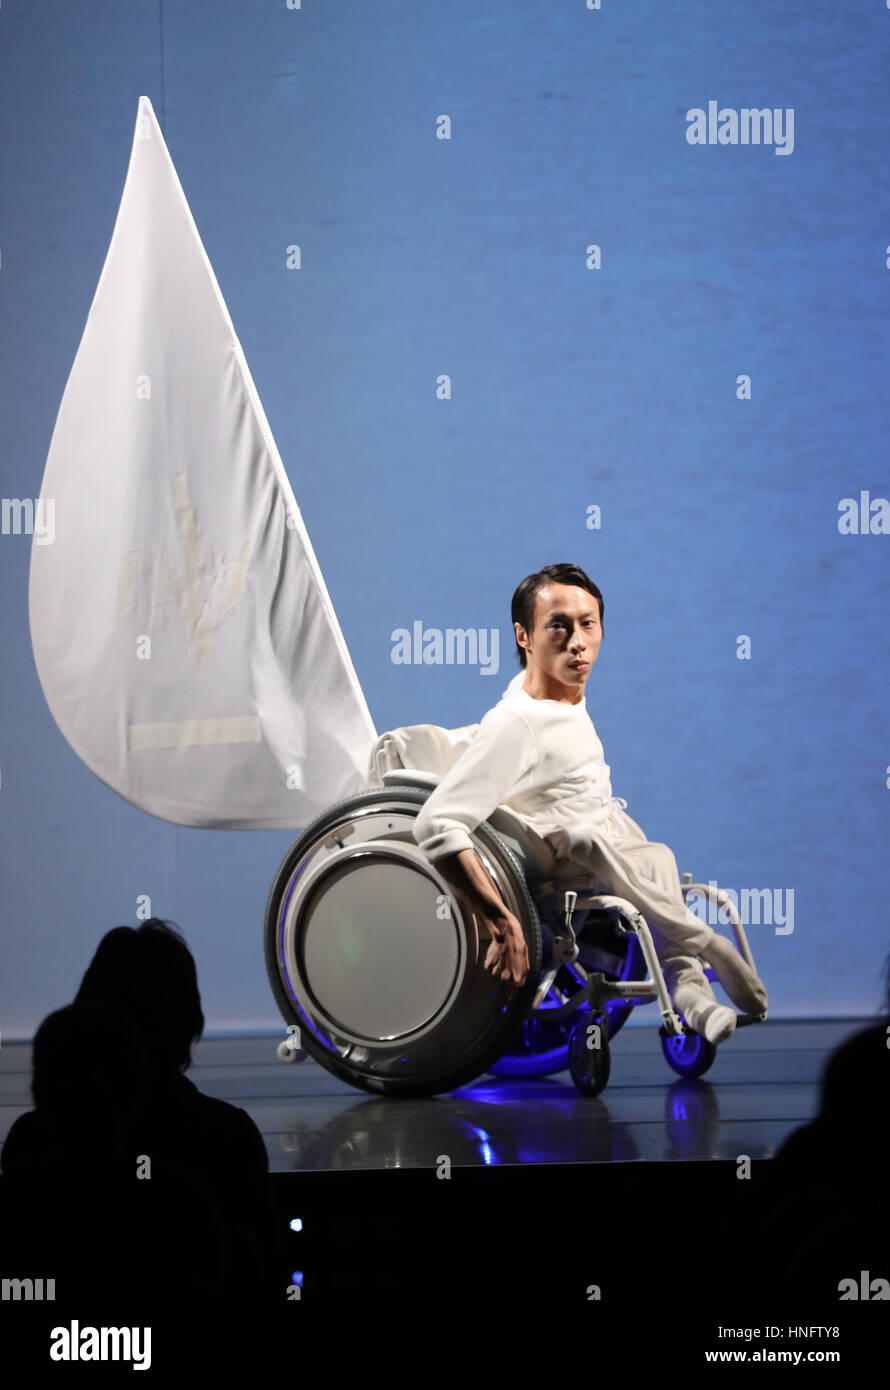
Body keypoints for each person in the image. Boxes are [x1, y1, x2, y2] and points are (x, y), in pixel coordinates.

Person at [410, 563, 768, 1045]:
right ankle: (707, 946)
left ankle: (689, 989)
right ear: (524, 636)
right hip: (566, 849)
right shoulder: (517, 722)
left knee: (656, 857)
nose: (577, 641)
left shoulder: (560, 702)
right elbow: (437, 822)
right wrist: (501, 920)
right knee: (595, 839)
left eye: (588, 624)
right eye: (558, 626)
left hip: (607, 833)